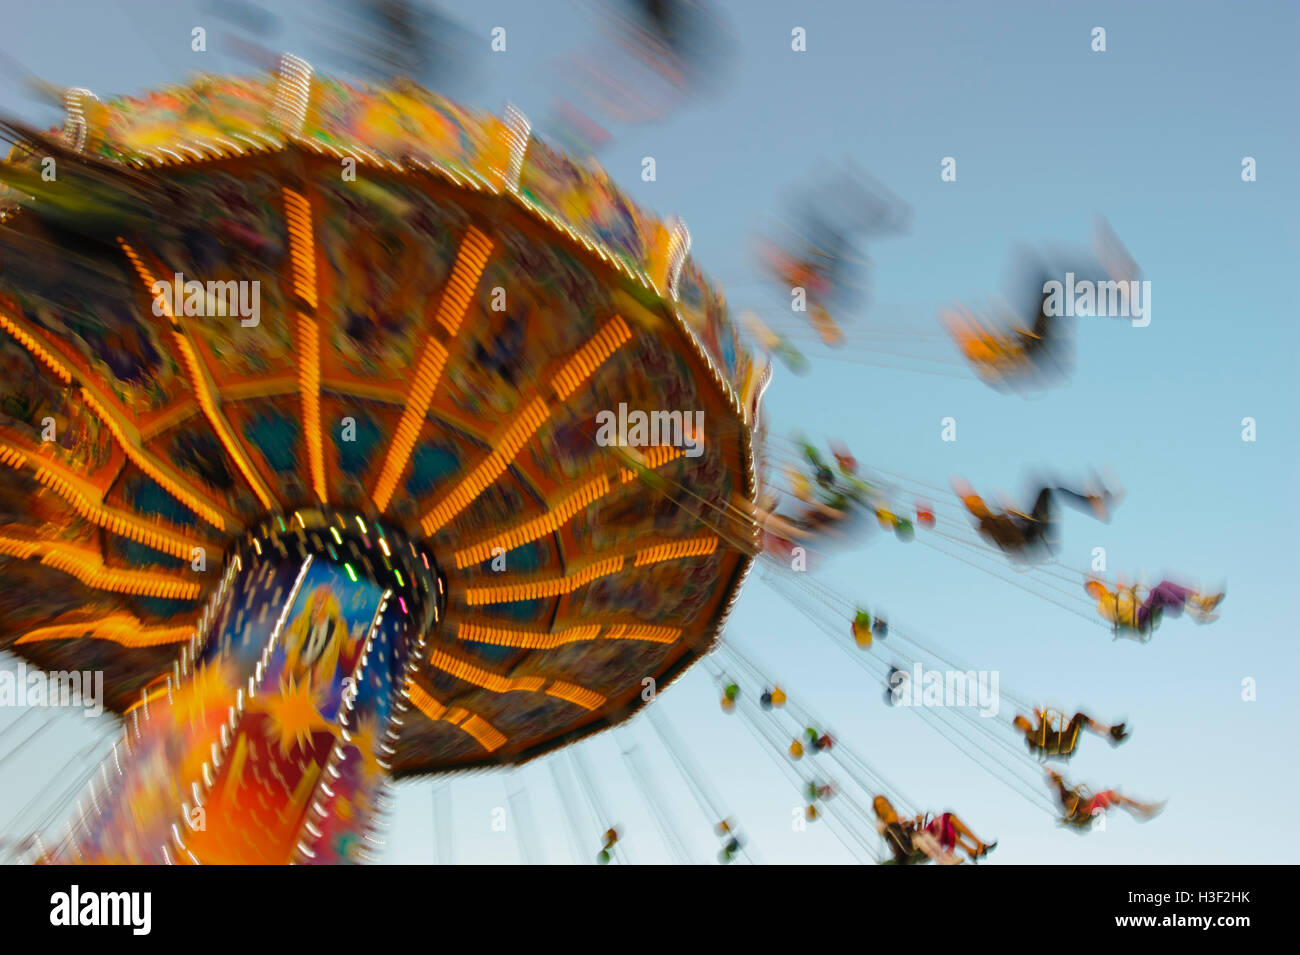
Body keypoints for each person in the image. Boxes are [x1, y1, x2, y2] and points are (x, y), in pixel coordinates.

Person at [953, 477, 1117, 561]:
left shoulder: (990, 520)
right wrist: (1012, 513)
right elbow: (1009, 541)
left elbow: (1011, 529)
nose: (981, 501)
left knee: (1047, 490)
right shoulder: (986, 524)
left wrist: (1012, 512)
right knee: (1046, 490)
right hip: (1030, 536)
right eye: (977, 500)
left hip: (1031, 532)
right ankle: (1092, 504)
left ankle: (1093, 503)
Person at [1085, 579, 1224, 638]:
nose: (1096, 591)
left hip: (1143, 612)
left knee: (1164, 584)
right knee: (1157, 592)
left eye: (1096, 587)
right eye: (1092, 592)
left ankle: (1202, 601)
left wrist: (1126, 591)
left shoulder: (1114, 596)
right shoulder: (1102, 606)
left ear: (1101, 586)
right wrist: (1118, 594)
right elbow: (1117, 617)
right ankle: (1196, 614)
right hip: (1140, 621)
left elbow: (1131, 605)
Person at [1046, 771, 1164, 829]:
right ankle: (1142, 809)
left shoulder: (1064, 793)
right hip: (1087, 811)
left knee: (1114, 797)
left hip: (1088, 808)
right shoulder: (1063, 797)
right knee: (1112, 795)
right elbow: (1070, 809)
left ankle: (1139, 811)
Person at [871, 795, 958, 865]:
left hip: (912, 843)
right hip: (904, 851)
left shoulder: (898, 817)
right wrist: (899, 824)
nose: (883, 806)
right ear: (877, 810)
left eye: (884, 803)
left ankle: (945, 858)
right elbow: (894, 833)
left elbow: (912, 833)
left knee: (926, 835)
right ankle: (940, 860)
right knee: (919, 839)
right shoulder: (882, 825)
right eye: (879, 805)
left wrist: (916, 824)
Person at [1013, 708, 1128, 759]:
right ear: (1021, 726)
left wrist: (1042, 719)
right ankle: (1110, 733)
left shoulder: (1033, 733)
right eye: (1024, 721)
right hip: (1063, 742)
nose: (1027, 720)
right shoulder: (1029, 736)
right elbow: (1044, 737)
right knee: (1079, 717)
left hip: (1062, 740)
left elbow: (1047, 732)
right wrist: (1040, 718)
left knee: (1080, 718)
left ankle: (1110, 732)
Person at [914, 810, 996, 863]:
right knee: (945, 820)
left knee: (948, 817)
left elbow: (918, 834)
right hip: (929, 838)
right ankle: (972, 848)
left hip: (930, 833)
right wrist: (919, 824)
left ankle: (977, 845)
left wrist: (919, 823)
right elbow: (917, 838)